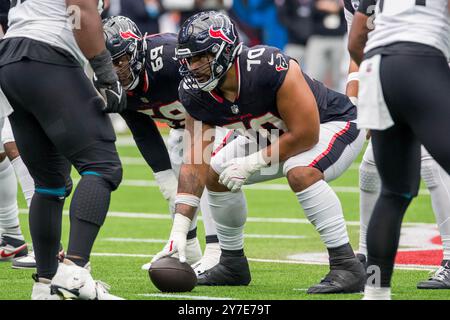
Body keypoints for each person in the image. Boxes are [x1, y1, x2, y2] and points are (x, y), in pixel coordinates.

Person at [152, 10, 366, 294]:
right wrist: (179, 228)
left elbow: (305, 134)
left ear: (225, 51)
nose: (193, 67)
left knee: (300, 171)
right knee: (215, 172)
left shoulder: (267, 66)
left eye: (200, 57)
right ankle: (232, 263)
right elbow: (195, 162)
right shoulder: (194, 91)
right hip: (269, 134)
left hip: (332, 123)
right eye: (187, 59)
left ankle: (345, 264)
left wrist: (253, 163)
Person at [0, 0, 126, 300]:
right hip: (47, 55)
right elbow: (80, 8)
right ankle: (75, 272)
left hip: (11, 60)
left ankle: (45, 285)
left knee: (50, 185)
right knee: (102, 166)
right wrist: (105, 71)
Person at [102, 15, 224, 275]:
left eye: (118, 61)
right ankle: (187, 253)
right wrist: (162, 176)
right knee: (176, 187)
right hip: (182, 127)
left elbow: (210, 87)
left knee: (208, 174)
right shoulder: (111, 84)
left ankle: (217, 252)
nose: (113, 70)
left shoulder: (169, 58)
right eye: (106, 63)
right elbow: (142, 129)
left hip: (217, 118)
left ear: (134, 51)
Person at [345, 0, 450, 291]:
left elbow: (355, 40)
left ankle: (376, 292)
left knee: (393, 193)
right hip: (422, 61)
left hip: (377, 69)